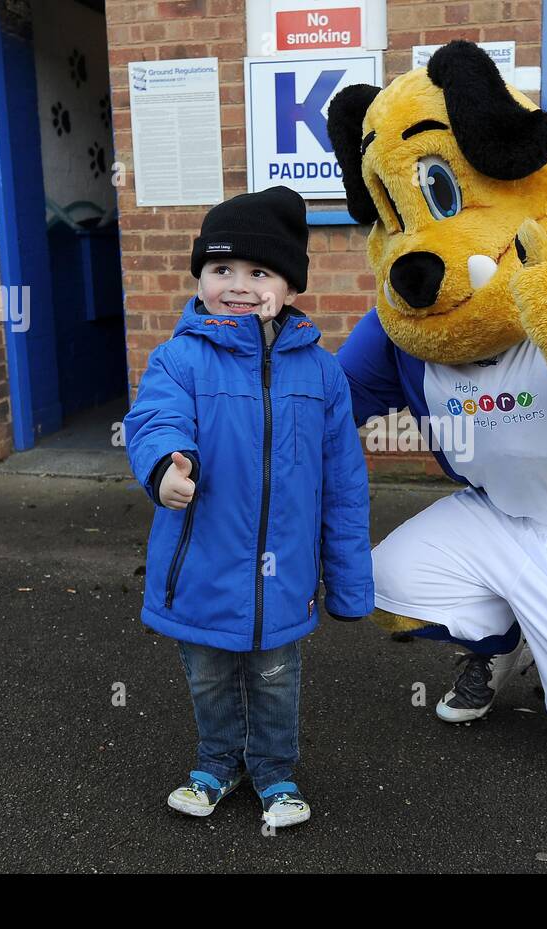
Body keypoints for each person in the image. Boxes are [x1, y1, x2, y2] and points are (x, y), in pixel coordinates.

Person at [124, 186, 373, 828]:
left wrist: (347, 584)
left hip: (284, 575)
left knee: (274, 679)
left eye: (258, 271)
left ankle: (274, 771)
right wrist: (165, 466)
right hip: (202, 567)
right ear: (201, 278)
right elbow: (156, 419)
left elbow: (343, 485)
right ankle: (216, 762)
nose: (237, 284)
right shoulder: (178, 359)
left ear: (289, 287)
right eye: (221, 269)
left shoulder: (322, 374)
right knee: (208, 677)